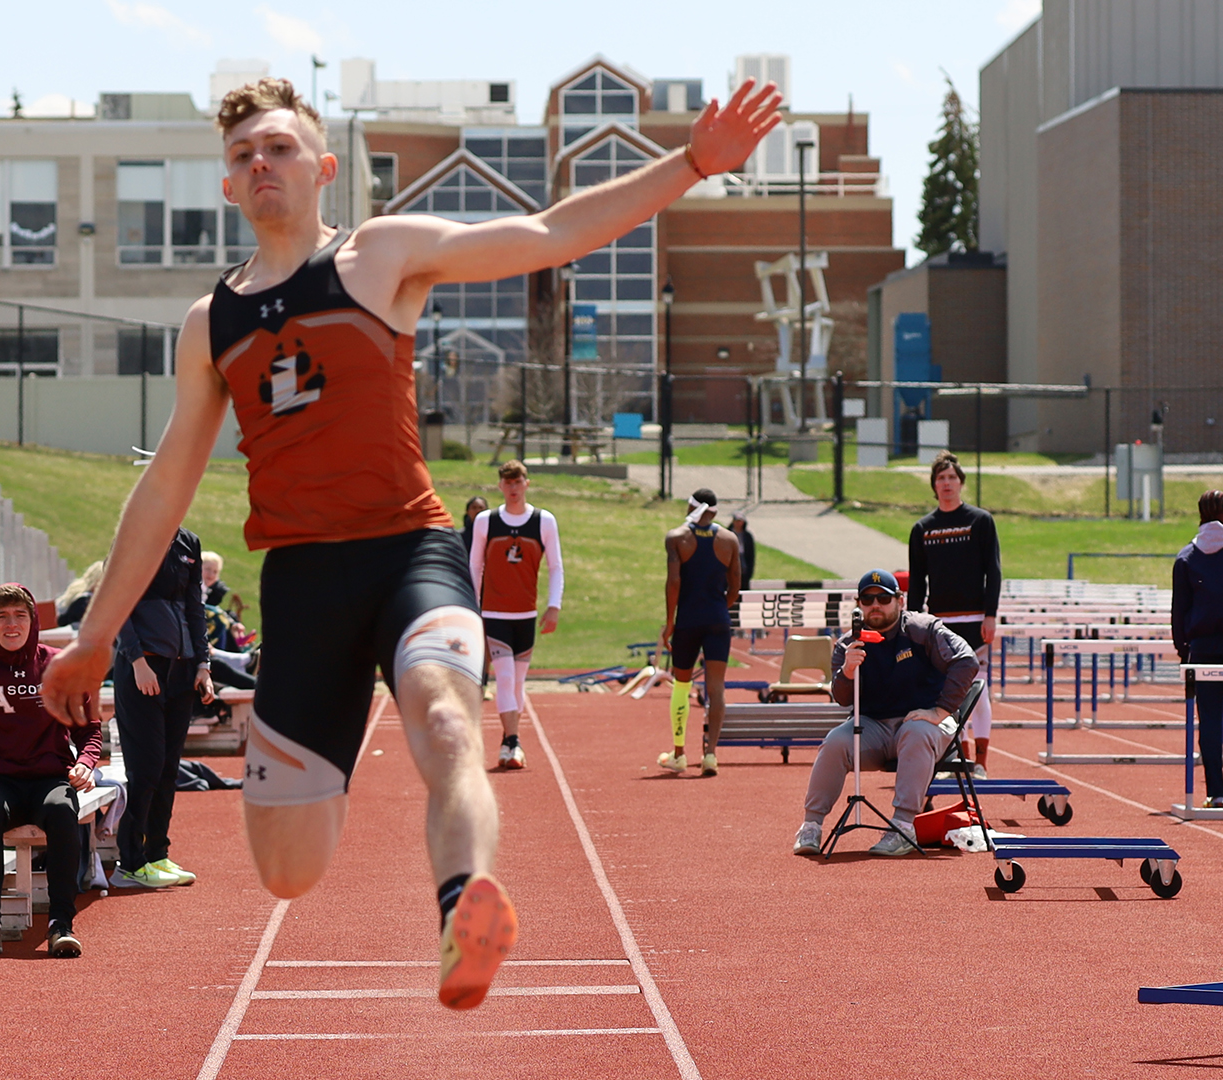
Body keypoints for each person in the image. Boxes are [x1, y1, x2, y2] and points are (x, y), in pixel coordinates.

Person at [39, 75, 782, 1010]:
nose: (261, 162)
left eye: (279, 147)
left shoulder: (379, 256)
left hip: (409, 556)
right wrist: (97, 635)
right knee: (288, 869)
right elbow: (164, 488)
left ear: (323, 168)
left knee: (445, 719)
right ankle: (325, 753)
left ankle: (465, 907)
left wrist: (691, 164)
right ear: (227, 185)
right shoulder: (211, 324)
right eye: (243, 154)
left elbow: (548, 233)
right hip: (303, 587)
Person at [0, 583, 101, 959]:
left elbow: (89, 730)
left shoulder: (60, 666)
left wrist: (85, 763)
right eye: (1, 616)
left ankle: (61, 924)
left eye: (20, 616)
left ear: (33, 621)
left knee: (62, 811)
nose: (11, 624)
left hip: (50, 777)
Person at [792, 569, 978, 857]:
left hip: (925, 725)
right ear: (858, 604)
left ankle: (902, 827)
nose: (875, 605)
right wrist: (847, 671)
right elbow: (842, 699)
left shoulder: (923, 629)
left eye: (883, 598)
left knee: (915, 732)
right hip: (875, 727)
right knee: (835, 741)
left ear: (900, 601)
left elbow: (966, 660)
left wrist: (940, 710)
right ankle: (811, 826)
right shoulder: (848, 644)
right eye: (867, 599)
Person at [109, 526, 214, 890]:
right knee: (147, 768)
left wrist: (203, 664)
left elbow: (195, 606)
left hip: (182, 671)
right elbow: (117, 606)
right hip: (141, 669)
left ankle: (157, 854)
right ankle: (130, 863)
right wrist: (137, 661)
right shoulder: (131, 537)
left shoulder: (189, 542)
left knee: (169, 768)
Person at [907, 451, 1000, 772]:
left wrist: (991, 614)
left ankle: (981, 762)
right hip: (940, 625)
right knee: (948, 695)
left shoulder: (981, 521)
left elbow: (993, 570)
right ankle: (960, 758)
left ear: (961, 483)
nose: (946, 483)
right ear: (934, 485)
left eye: (951, 478)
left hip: (975, 621)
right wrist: (913, 624)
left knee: (979, 691)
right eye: (940, 478)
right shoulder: (922, 528)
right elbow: (917, 581)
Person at [467, 460, 562, 770]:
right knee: (505, 678)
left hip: (526, 614)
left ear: (526, 484)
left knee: (518, 683)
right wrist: (472, 606)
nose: (512, 488)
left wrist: (554, 605)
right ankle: (513, 741)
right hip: (494, 613)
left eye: (517, 482)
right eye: (507, 482)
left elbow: (556, 567)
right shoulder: (486, 521)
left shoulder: (544, 521)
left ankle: (509, 741)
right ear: (500, 486)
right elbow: (475, 566)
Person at [659, 489, 741, 777]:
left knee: (682, 686)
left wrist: (670, 621)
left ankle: (679, 754)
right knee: (716, 688)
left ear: (690, 507)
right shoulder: (730, 540)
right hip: (718, 620)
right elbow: (735, 586)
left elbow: (674, 582)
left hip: (688, 620)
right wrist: (717, 608)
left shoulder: (676, 537)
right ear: (715, 512)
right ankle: (710, 755)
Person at [1173, 490, 1223, 808]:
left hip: (1202, 651)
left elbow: (1179, 610)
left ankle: (1217, 792)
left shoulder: (1186, 558)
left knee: (1210, 721)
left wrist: (1183, 652)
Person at [729, 510, 756, 591]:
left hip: (743, 567)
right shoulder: (727, 534)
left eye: (740, 521)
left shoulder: (748, 536)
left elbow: (751, 555)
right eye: (737, 521)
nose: (739, 523)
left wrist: (749, 572)